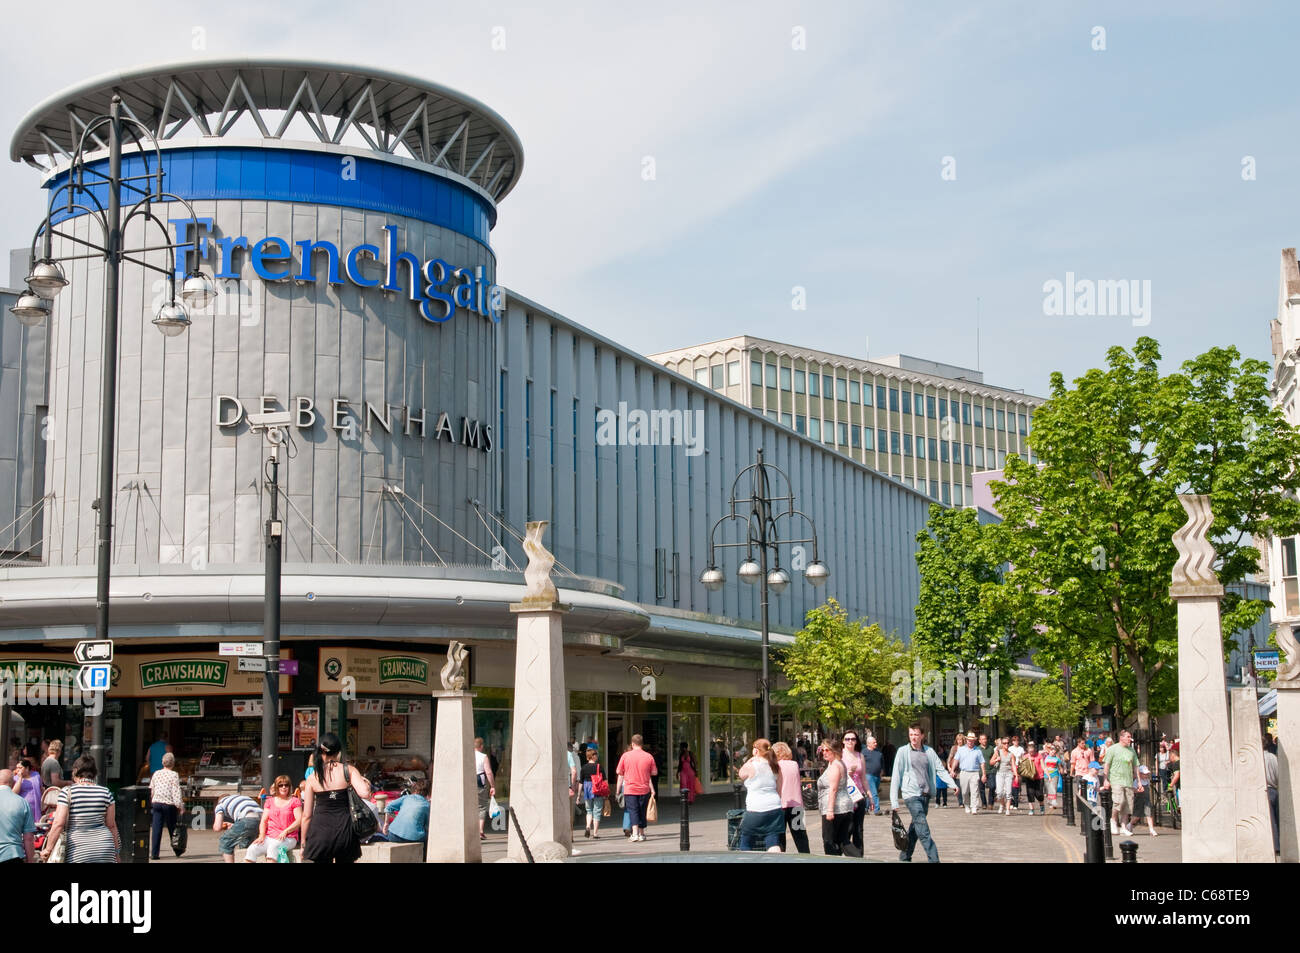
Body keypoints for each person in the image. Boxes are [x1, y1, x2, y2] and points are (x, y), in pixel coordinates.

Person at [889, 723, 956, 863]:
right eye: (911, 734)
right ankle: (934, 859)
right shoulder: (902, 751)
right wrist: (894, 800)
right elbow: (896, 776)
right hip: (911, 795)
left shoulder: (929, 752)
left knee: (916, 829)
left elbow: (940, 769)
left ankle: (904, 857)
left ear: (922, 736)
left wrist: (952, 784)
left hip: (925, 795)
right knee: (924, 830)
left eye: (916, 734)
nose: (913, 737)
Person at [301, 732, 372, 863]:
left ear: (321, 751)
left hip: (320, 834)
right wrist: (365, 781)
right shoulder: (348, 770)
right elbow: (365, 793)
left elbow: (306, 816)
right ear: (338, 752)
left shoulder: (312, 778)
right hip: (345, 833)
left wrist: (303, 842)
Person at [40, 755, 117, 863]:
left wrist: (48, 849)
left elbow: (58, 823)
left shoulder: (67, 792)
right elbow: (111, 826)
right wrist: (117, 853)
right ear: (95, 773)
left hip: (78, 850)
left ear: (75, 771)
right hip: (105, 849)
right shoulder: (106, 792)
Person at [737, 738, 784, 851]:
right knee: (772, 840)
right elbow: (779, 789)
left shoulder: (751, 765)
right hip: (774, 807)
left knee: (746, 841)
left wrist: (751, 759)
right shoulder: (775, 766)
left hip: (756, 808)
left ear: (756, 750)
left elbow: (741, 774)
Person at [247, 775, 304, 861]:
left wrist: (286, 831)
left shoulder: (294, 801)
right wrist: (261, 835)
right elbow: (264, 820)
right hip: (270, 836)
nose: (284, 787)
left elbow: (299, 820)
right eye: (280, 785)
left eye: (286, 785)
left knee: (273, 848)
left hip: (289, 837)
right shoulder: (269, 801)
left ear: (289, 787)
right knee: (252, 849)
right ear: (277, 787)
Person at [615, 733, 657, 842]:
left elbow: (619, 771)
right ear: (641, 744)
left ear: (632, 744)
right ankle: (642, 833)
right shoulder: (649, 756)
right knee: (642, 810)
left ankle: (634, 834)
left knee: (633, 811)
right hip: (644, 788)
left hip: (630, 789)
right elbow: (654, 772)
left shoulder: (625, 756)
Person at [816, 737, 854, 855]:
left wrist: (830, 810)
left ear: (835, 751)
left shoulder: (835, 766)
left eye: (827, 750)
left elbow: (833, 789)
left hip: (836, 808)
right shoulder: (836, 763)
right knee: (843, 841)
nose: (824, 753)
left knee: (829, 841)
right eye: (823, 750)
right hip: (844, 806)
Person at [772, 742, 809, 853]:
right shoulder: (794, 764)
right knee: (801, 837)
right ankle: (806, 858)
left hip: (781, 805)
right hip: (797, 805)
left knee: (780, 838)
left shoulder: (775, 766)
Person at [148, 751, 184, 860]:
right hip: (169, 804)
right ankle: (177, 850)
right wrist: (180, 806)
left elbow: (152, 789)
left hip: (157, 803)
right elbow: (176, 791)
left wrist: (152, 801)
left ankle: (154, 853)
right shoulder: (174, 775)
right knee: (173, 828)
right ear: (172, 763)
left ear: (163, 763)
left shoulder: (156, 773)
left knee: (156, 829)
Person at [1102, 729, 1139, 836]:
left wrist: (1139, 782)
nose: (1130, 739)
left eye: (1130, 737)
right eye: (1128, 737)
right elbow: (1107, 765)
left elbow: (1136, 766)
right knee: (1119, 801)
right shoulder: (1112, 749)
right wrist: (1105, 779)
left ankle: (1123, 826)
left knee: (1127, 804)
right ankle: (1113, 821)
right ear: (1121, 738)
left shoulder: (1132, 751)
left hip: (1128, 780)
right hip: (1116, 779)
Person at [213, 792, 264, 862]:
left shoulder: (220, 804)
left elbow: (217, 827)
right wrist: (233, 826)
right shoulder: (244, 798)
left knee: (225, 842)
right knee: (245, 844)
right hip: (262, 820)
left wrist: (222, 826)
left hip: (248, 819)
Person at [0, 769, 35, 864]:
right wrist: (30, 860)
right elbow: (28, 838)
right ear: (14, 783)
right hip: (12, 855)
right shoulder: (22, 802)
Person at [379, 778, 428, 846]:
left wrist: (386, 823)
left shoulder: (406, 798)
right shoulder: (427, 805)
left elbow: (388, 807)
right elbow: (428, 825)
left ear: (414, 789)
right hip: (413, 838)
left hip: (393, 835)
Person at [840, 729, 868, 849]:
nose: (850, 741)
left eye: (853, 739)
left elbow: (864, 778)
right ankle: (843, 851)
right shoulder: (839, 755)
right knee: (848, 827)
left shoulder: (859, 755)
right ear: (843, 741)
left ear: (856, 741)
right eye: (847, 739)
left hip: (859, 795)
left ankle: (858, 856)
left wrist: (870, 795)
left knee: (858, 828)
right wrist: (847, 774)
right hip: (845, 796)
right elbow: (834, 776)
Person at [953, 731, 985, 813]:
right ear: (966, 740)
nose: (970, 742)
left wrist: (984, 774)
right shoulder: (961, 749)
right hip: (964, 772)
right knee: (964, 791)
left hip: (974, 772)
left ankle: (974, 807)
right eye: (969, 740)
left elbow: (982, 762)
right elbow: (956, 760)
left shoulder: (978, 750)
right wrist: (952, 770)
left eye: (972, 740)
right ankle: (966, 805)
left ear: (974, 741)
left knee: (975, 791)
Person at [580, 748, 606, 838]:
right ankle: (595, 833)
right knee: (597, 811)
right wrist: (606, 793)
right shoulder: (599, 767)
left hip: (587, 789)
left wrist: (579, 795)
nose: (597, 756)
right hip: (597, 789)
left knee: (589, 810)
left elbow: (581, 782)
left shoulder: (583, 768)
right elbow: (605, 781)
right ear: (593, 756)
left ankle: (587, 826)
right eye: (596, 755)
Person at [474, 737, 496, 840]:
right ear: (481, 746)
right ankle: (480, 831)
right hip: (479, 782)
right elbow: (488, 772)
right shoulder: (483, 757)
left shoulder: (467, 755)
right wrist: (492, 786)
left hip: (468, 782)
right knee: (481, 807)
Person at [1131, 765, 1158, 838]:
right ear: (1139, 774)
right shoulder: (1136, 781)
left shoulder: (1147, 781)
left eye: (1146, 774)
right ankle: (1129, 825)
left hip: (1146, 800)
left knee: (1149, 814)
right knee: (1137, 816)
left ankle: (1151, 829)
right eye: (1144, 774)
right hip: (1139, 800)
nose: (1146, 775)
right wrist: (1137, 790)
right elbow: (1133, 789)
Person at [10, 759, 41, 824]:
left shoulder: (36, 775)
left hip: (35, 806)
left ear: (27, 768)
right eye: (17, 767)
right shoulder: (15, 778)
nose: (18, 769)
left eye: (20, 767)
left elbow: (41, 788)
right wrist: (20, 778)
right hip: (22, 806)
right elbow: (14, 793)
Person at [990, 738, 1014, 815]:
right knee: (999, 793)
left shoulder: (1011, 754)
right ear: (1002, 744)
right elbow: (991, 762)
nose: (1006, 744)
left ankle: (1007, 809)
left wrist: (1016, 775)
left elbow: (1013, 765)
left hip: (1009, 773)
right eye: (1004, 743)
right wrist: (996, 760)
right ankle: (1002, 805)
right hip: (1000, 773)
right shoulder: (998, 752)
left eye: (1007, 743)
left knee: (1008, 792)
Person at [862, 734, 884, 815]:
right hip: (868, 775)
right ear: (868, 744)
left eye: (876, 742)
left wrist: (881, 773)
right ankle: (877, 809)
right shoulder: (864, 752)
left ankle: (865, 808)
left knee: (870, 793)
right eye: (874, 742)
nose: (876, 744)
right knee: (874, 793)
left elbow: (882, 763)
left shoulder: (878, 752)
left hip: (877, 776)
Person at [1021, 742, 1044, 815]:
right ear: (1027, 750)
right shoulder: (1025, 757)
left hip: (1039, 777)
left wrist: (1048, 774)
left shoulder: (1039, 756)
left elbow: (1043, 765)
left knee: (1039, 794)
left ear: (1035, 750)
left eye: (1033, 751)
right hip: (1029, 778)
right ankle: (1031, 809)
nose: (1031, 753)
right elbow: (1023, 767)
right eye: (1030, 751)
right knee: (1030, 793)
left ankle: (1042, 806)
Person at [1264, 741, 1279, 854]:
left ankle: (1273, 846)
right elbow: (1278, 774)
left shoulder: (1256, 758)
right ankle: (1277, 845)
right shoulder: (1273, 757)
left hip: (1264, 790)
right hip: (1273, 790)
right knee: (1274, 819)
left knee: (1269, 820)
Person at [1042, 743, 1062, 813]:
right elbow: (1044, 766)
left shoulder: (1057, 759)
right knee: (1048, 789)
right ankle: (1049, 800)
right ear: (1049, 751)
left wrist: (1062, 772)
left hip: (1055, 774)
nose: (1053, 753)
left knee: (1053, 788)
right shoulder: (1045, 758)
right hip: (1046, 775)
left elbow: (1060, 767)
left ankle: (1054, 801)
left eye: (1054, 752)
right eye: (1052, 751)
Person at [979, 733, 996, 809]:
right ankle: (984, 803)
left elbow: (994, 757)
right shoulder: (977, 749)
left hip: (990, 770)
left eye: (985, 739)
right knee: (981, 788)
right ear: (979, 741)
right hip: (980, 771)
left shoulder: (991, 748)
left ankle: (991, 802)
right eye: (982, 739)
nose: (984, 740)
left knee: (992, 786)